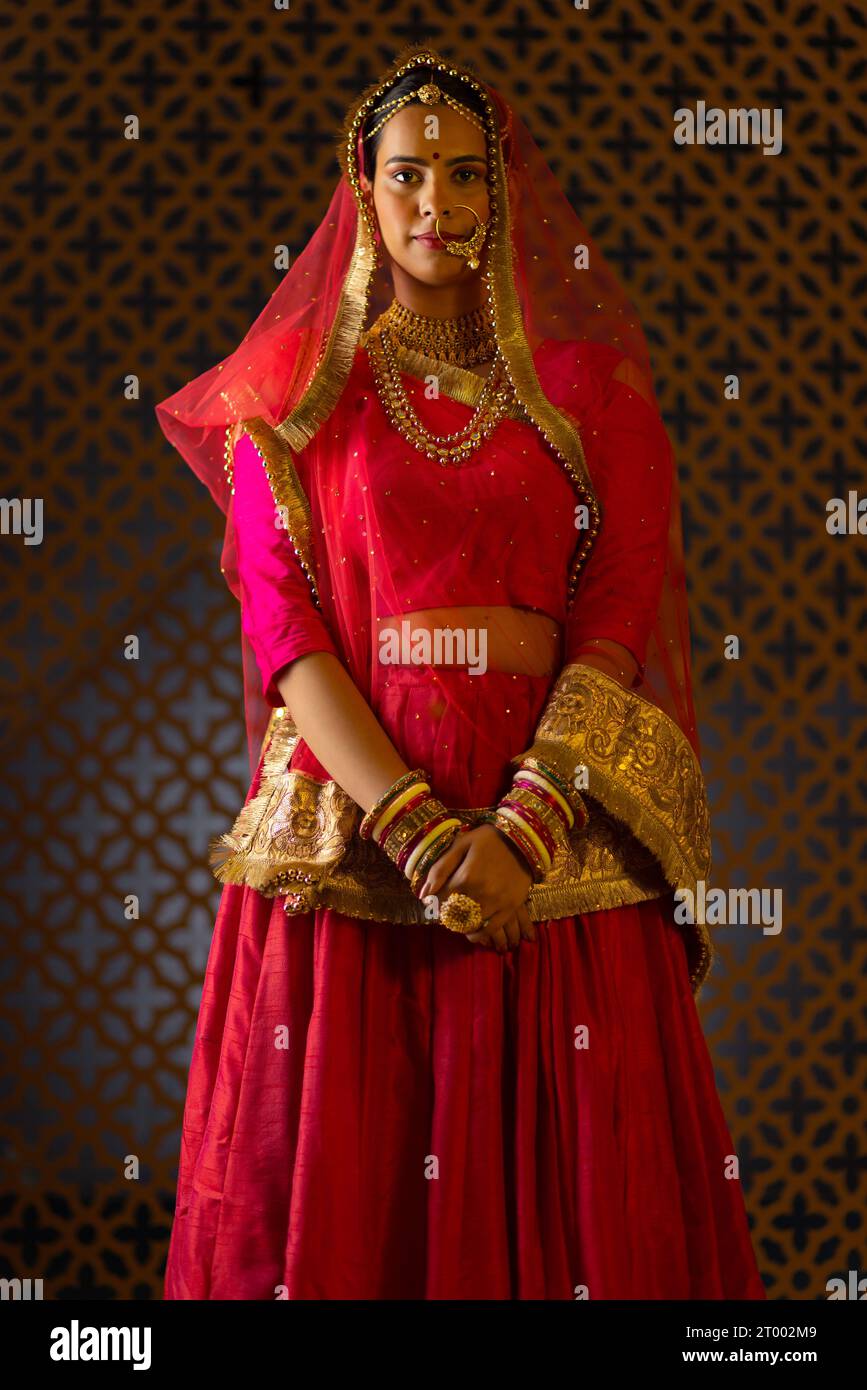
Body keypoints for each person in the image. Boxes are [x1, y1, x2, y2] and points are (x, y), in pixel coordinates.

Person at [155, 46, 766, 1301]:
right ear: (361, 195)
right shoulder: (294, 409)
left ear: (502, 193)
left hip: (560, 857)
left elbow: (618, 616)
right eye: (405, 175)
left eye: (462, 175)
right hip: (367, 854)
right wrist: (425, 831)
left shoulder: (593, 398)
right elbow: (289, 636)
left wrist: (524, 830)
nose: (435, 202)